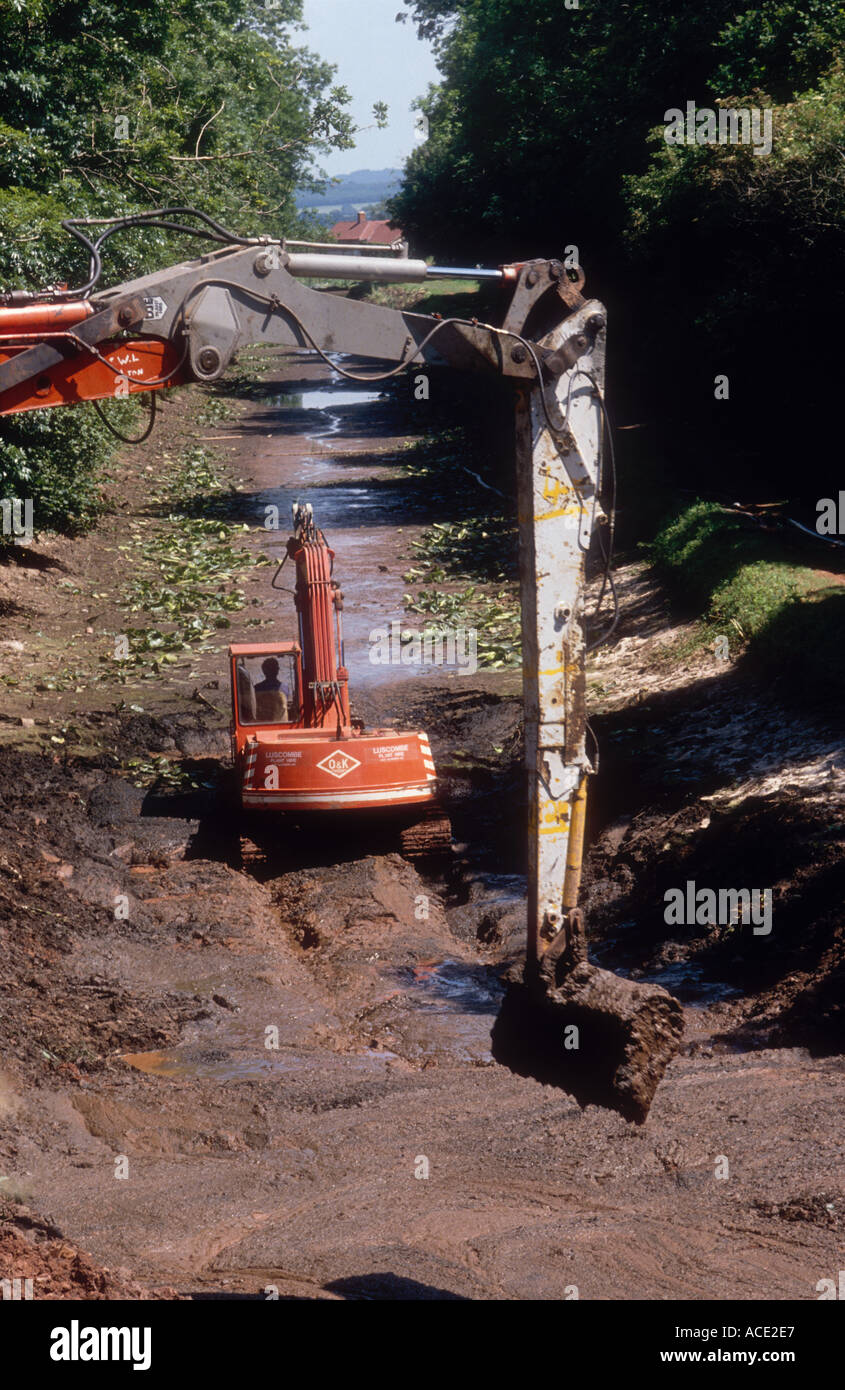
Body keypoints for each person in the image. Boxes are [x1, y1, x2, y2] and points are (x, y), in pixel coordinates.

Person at [253, 657, 288, 722]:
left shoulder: (256, 688)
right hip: (281, 724)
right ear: (277, 670)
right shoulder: (285, 688)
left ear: (264, 671)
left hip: (260, 723)